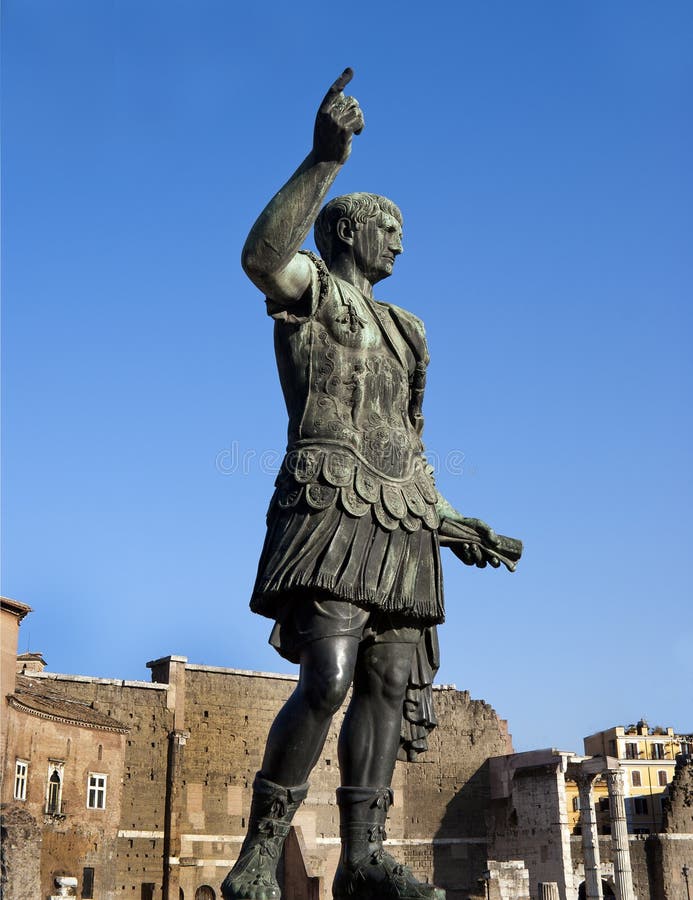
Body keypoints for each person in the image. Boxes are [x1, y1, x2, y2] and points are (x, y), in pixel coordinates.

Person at [221, 69, 520, 900]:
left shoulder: (409, 332)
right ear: (348, 232)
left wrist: (458, 523)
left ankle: (362, 852)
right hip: (329, 497)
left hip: (401, 512)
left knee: (390, 681)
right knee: (329, 677)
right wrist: (323, 160)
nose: (400, 243)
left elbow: (412, 444)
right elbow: (259, 256)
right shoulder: (311, 290)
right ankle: (258, 852)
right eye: (389, 228)